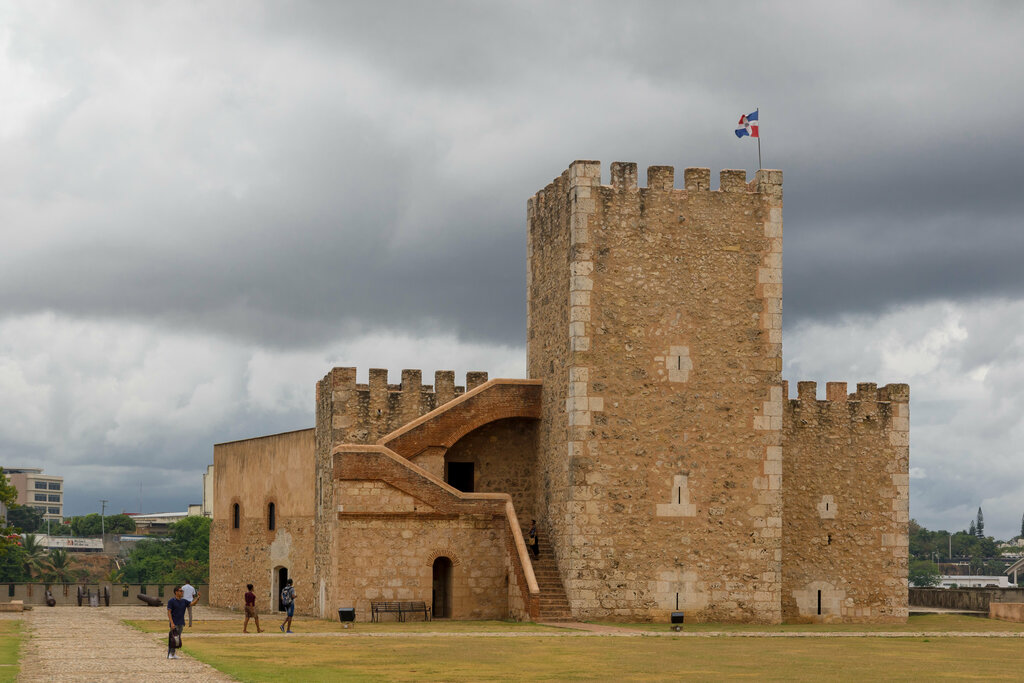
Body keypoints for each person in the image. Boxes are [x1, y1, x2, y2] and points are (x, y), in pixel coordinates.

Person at [166, 586, 189, 659]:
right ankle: (170, 654)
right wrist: (172, 623)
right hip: (174, 623)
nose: (182, 592)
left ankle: (173, 653)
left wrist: (198, 598)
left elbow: (191, 604)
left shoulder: (184, 601)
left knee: (177, 639)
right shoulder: (171, 601)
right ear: (176, 592)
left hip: (181, 622)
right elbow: (169, 612)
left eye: (182, 591)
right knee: (172, 638)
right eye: (180, 591)